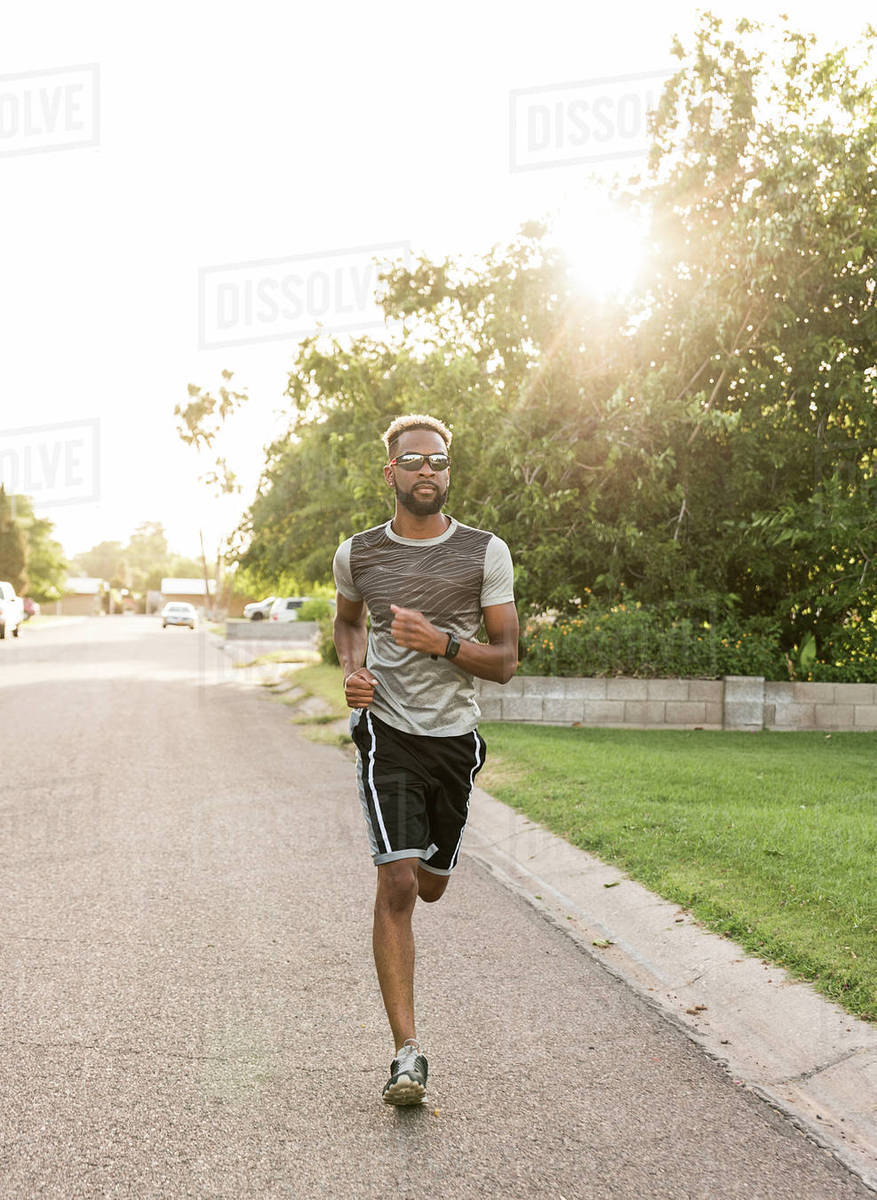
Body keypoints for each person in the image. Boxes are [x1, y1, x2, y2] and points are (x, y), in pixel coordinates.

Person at [332, 413, 519, 1105]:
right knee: (399, 885)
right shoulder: (358, 553)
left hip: (455, 740)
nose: (426, 472)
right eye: (413, 461)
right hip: (387, 731)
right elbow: (347, 622)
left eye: (437, 461)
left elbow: (503, 662)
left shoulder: (483, 553)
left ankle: (437, 860)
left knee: (433, 882)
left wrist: (441, 642)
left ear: (448, 471)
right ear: (391, 472)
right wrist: (352, 672)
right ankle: (406, 1053)